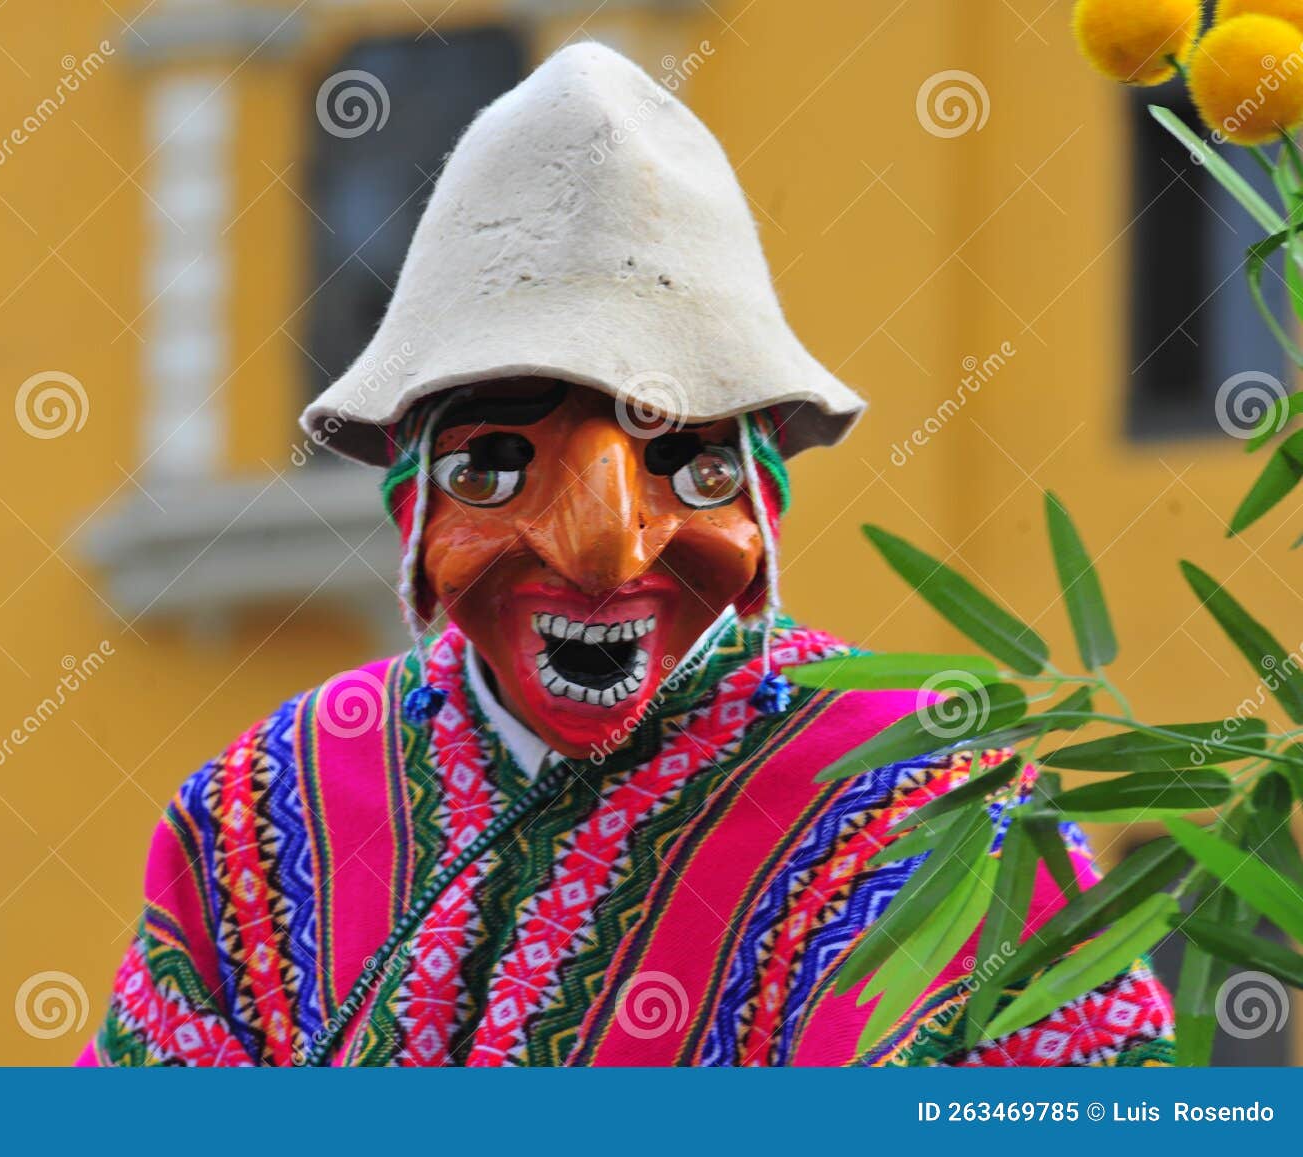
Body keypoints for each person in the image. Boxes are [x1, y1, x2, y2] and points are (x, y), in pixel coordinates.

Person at [81, 43, 1173, 1067]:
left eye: (688, 464)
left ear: (763, 500)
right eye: (493, 467)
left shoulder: (934, 796)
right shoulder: (268, 805)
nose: (600, 551)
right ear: (410, 504)